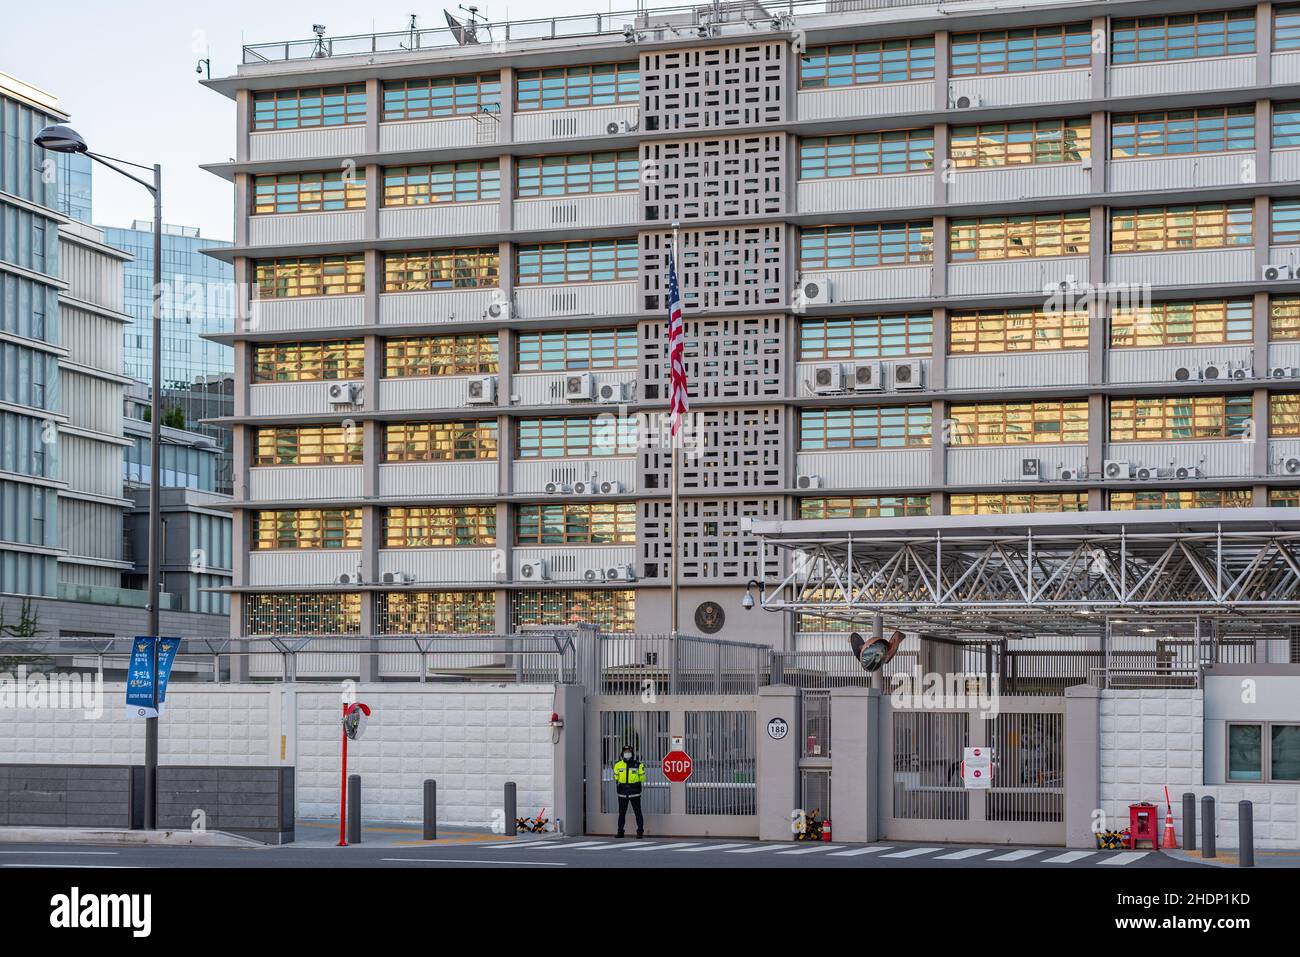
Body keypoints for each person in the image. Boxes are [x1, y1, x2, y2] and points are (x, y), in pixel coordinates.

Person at [612, 743, 646, 838]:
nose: (627, 753)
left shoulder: (638, 765)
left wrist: (636, 783)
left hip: (634, 792)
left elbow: (642, 778)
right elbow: (616, 777)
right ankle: (620, 832)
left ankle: (640, 832)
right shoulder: (618, 765)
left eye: (629, 752)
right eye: (625, 752)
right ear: (622, 753)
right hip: (622, 793)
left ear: (632, 753)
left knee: (638, 812)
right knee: (621, 813)